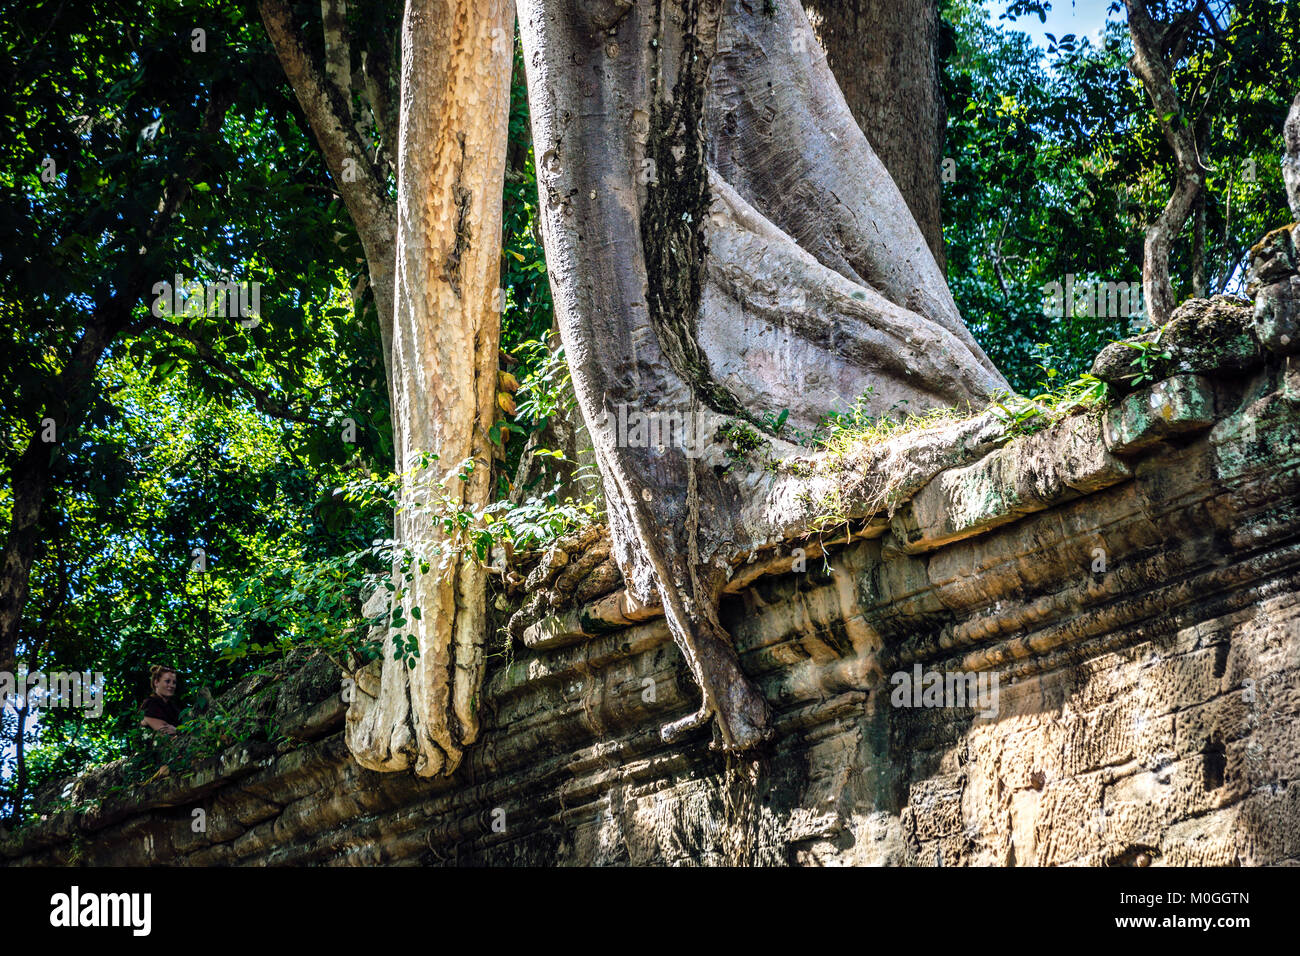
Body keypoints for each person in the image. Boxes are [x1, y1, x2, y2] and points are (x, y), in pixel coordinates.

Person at [140, 665, 182, 735]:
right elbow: (164, 731)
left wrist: (176, 730)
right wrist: (179, 730)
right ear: (156, 682)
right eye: (167, 681)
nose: (171, 685)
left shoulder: (173, 706)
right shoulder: (151, 703)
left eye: (174, 682)